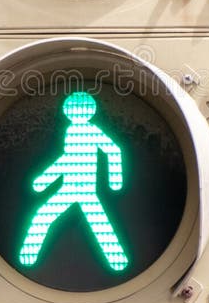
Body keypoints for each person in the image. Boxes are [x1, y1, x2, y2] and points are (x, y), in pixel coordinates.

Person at [19, 91, 128, 271]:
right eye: (72, 110)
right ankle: (27, 258)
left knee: (98, 225)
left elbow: (113, 150)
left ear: (89, 112)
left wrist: (115, 179)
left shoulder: (92, 130)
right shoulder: (70, 131)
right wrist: (46, 179)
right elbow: (68, 158)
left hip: (84, 189)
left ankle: (119, 262)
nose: (74, 113)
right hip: (69, 187)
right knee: (43, 217)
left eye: (78, 110)